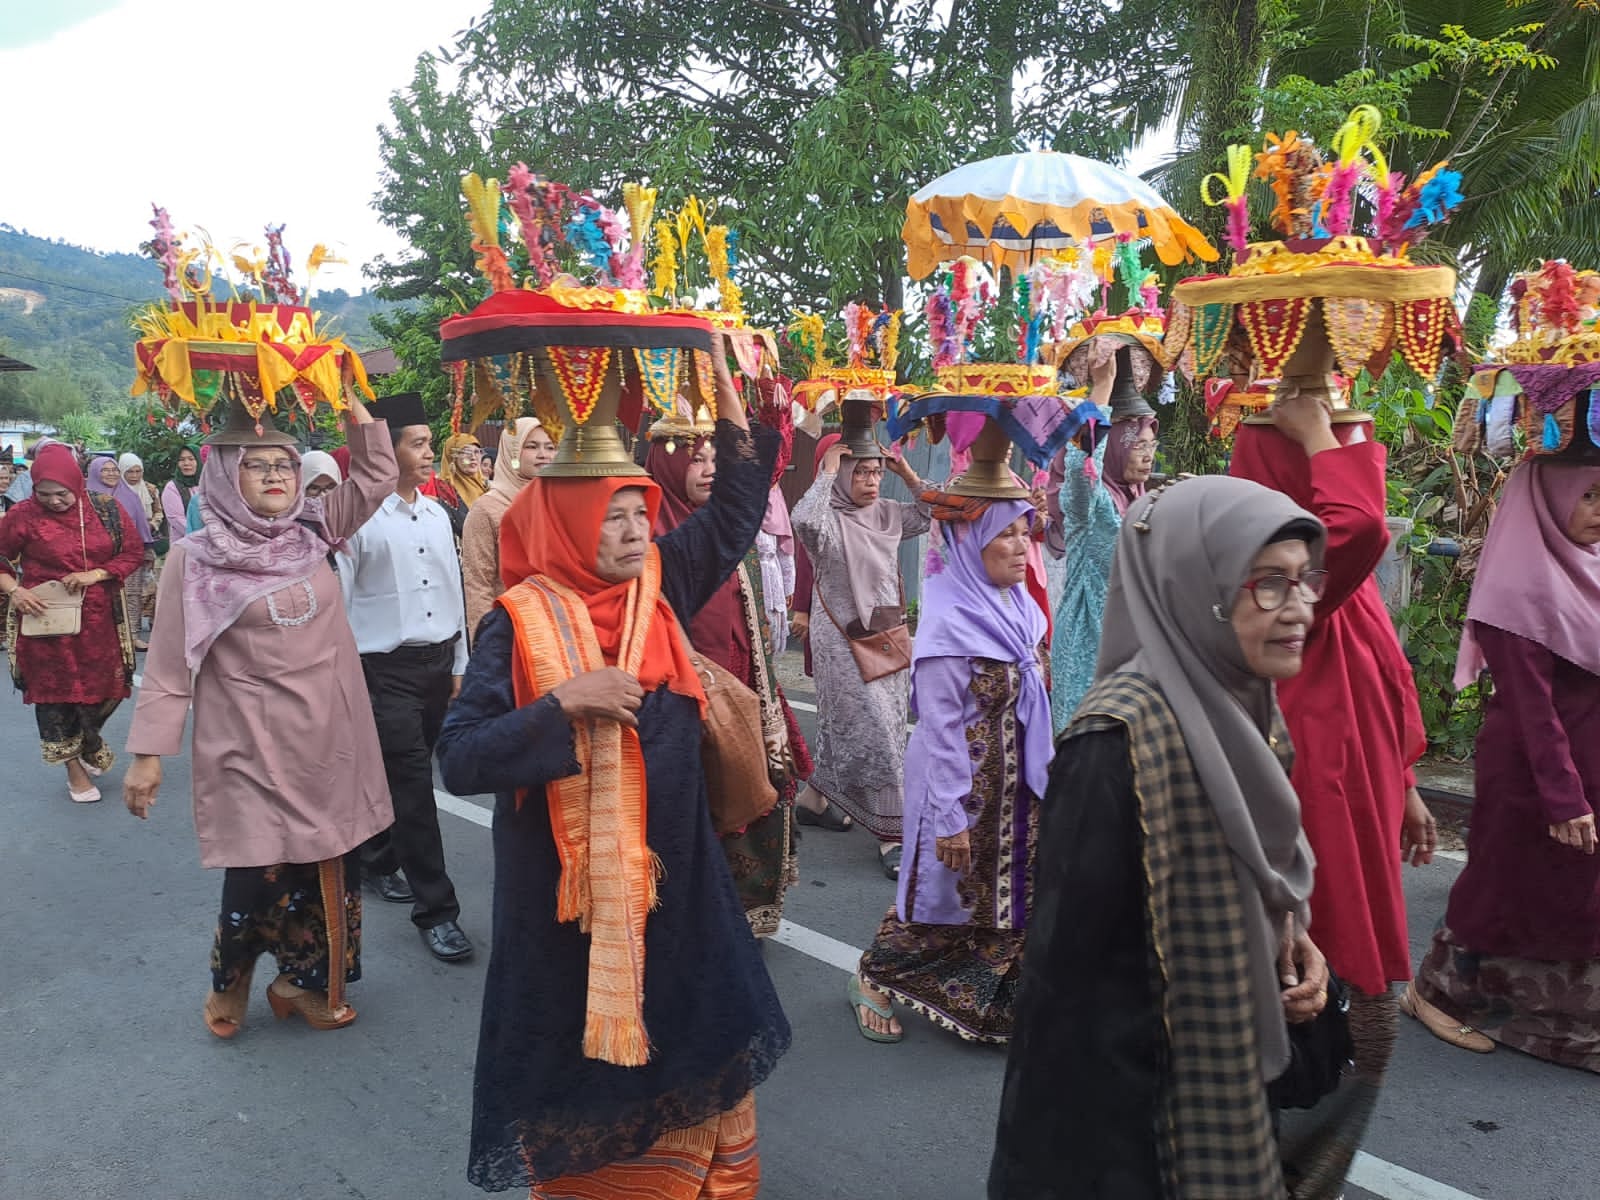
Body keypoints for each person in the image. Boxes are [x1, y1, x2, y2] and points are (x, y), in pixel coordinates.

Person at [435, 340, 790, 1197]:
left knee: (703, 1056)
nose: (637, 533)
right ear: (565, 523)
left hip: (683, 894)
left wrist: (729, 388)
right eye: (615, 517)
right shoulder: (515, 626)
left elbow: (738, 506)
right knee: (589, 1088)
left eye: (641, 513)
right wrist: (563, 706)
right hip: (565, 919)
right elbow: (459, 757)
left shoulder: (659, 589)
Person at [989, 476, 1330, 1200]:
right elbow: (1068, 994)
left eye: (1305, 581)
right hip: (1143, 1130)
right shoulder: (1113, 746)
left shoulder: (1242, 701)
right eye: (1268, 585)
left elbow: (1254, 872)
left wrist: (1291, 939)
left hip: (1231, 1066)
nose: (1299, 608)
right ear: (1193, 584)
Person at [122, 401, 397, 1036]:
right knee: (257, 872)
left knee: (330, 862)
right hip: (250, 747)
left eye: (285, 464)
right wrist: (147, 755)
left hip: (331, 741)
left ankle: (303, 984)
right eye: (257, 466)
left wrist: (348, 399)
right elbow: (167, 665)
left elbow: (378, 473)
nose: (277, 477)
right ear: (222, 474)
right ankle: (232, 985)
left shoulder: (314, 527)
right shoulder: (194, 559)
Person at [1230, 394, 1434, 1195]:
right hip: (1308, 834)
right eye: (1316, 448)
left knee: (1355, 1016)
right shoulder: (1277, 585)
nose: (1337, 454)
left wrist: (1410, 786)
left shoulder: (1337, 594)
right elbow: (1361, 526)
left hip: (1361, 815)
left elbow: (1387, 681)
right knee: (1341, 1022)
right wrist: (1316, 432)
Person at [1408, 459, 1600, 1074]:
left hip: (1586, 766)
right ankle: (1432, 995)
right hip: (1536, 775)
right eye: (1589, 495)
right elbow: (1531, 711)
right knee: (1501, 892)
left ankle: (1557, 1025)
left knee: (1572, 898)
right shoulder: (1517, 590)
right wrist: (1563, 798)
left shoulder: (1589, 568)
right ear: (1547, 499)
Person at [852, 492, 1049, 1044]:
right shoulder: (949, 620)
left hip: (1018, 791)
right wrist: (950, 816)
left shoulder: (1017, 607)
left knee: (1011, 893)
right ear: (970, 544)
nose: (1020, 545)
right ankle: (874, 976)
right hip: (963, 789)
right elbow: (939, 729)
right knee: (944, 895)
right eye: (1005, 534)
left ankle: (990, 1003)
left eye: (1024, 531)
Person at [644, 413, 811, 937]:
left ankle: (744, 914)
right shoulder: (654, 539)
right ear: (666, 465)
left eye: (714, 458)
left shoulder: (721, 527)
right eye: (695, 459)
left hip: (746, 687)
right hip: (690, 700)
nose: (708, 469)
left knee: (753, 792)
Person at [336, 392, 473, 963]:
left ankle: (374, 858)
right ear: (385, 453)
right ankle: (437, 912)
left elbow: (453, 592)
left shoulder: (439, 515)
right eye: (416, 444)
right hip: (382, 671)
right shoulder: (359, 520)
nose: (427, 453)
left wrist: (462, 663)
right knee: (414, 791)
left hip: (440, 667)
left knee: (412, 780)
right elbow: (339, 606)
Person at [793, 437, 929, 878]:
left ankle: (814, 801)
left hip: (887, 631)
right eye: (861, 472)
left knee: (880, 722)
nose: (871, 481)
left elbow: (934, 511)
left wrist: (906, 472)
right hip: (839, 639)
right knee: (871, 728)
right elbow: (803, 522)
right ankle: (893, 832)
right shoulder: (827, 517)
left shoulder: (889, 513)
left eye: (876, 471)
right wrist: (827, 470)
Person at [0, 443, 144, 803]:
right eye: (44, 494)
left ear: (77, 484)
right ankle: (74, 770)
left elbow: (132, 551)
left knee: (108, 691)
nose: (54, 501)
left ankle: (88, 742)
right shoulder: (22, 514)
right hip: (45, 619)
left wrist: (96, 574)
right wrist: (15, 591)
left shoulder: (105, 509)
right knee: (55, 697)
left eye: (62, 494)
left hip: (101, 621)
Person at [1045, 340, 1157, 731]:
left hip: (1136, 655)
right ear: (1111, 450)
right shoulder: (1090, 506)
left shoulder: (1144, 503)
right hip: (1087, 650)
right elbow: (1080, 467)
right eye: (1136, 445)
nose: (1147, 455)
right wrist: (1102, 391)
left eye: (1150, 445)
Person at [460, 416, 556, 640]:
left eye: (550, 447)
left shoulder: (557, 503)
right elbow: (478, 583)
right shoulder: (488, 508)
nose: (543, 454)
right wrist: (486, 643)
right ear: (512, 453)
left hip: (557, 627)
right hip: (510, 630)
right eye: (531, 446)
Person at [118, 453, 168, 650]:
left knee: (146, 588)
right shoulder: (116, 490)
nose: (134, 475)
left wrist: (152, 525)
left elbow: (158, 511)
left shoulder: (150, 489)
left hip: (147, 542)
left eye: (138, 471)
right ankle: (127, 630)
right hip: (123, 545)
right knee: (127, 591)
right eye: (130, 471)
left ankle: (140, 628)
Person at [755, 484, 796, 657]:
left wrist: (788, 587)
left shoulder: (773, 494)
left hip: (771, 577)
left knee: (769, 641)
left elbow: (784, 549)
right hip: (745, 576)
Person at [421, 430, 486, 538]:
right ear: (452, 456)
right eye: (466, 452)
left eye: (477, 452)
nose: (473, 457)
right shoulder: (441, 489)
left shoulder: (488, 486)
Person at [162, 443, 203, 542]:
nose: (186, 463)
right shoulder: (172, 488)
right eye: (182, 460)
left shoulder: (207, 483)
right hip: (184, 545)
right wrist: (203, 537)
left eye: (191, 459)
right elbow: (177, 520)